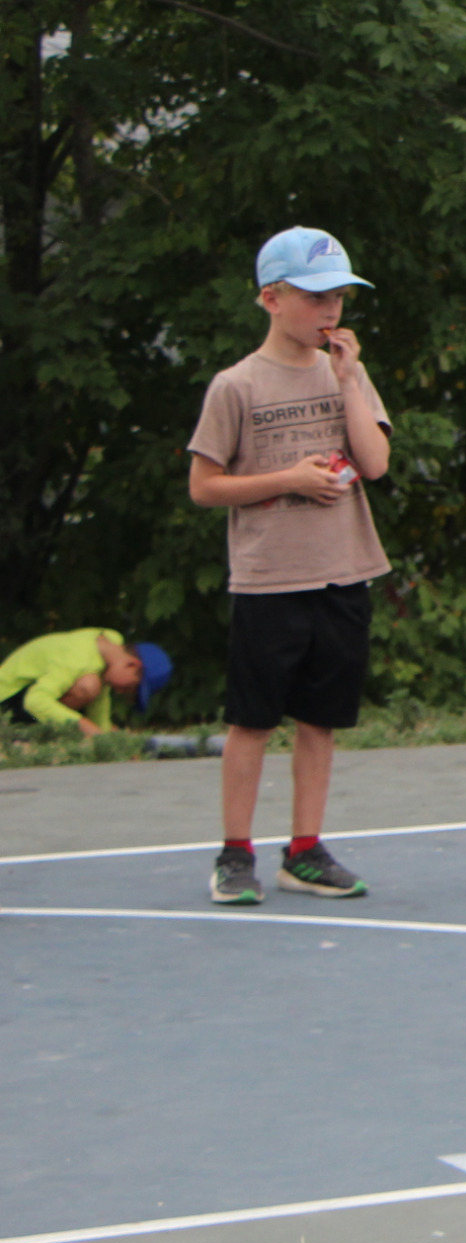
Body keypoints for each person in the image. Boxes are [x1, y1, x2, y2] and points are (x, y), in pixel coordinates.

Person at [186, 227, 394, 906]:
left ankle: (305, 849)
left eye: (338, 297)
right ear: (271, 298)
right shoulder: (236, 385)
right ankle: (235, 852)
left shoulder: (347, 372)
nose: (329, 310)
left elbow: (375, 462)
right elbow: (204, 485)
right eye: (314, 297)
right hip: (269, 577)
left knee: (320, 719)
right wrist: (289, 480)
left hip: (343, 569)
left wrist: (348, 380)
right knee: (252, 719)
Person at [0, 630, 171, 735]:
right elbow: (35, 701)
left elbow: (99, 718)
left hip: (26, 700)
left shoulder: (109, 643)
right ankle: (30, 735)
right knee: (88, 685)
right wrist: (89, 730)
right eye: (129, 687)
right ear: (132, 664)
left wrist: (115, 741)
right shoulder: (77, 660)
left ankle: (45, 733)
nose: (120, 691)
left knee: (94, 686)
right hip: (7, 703)